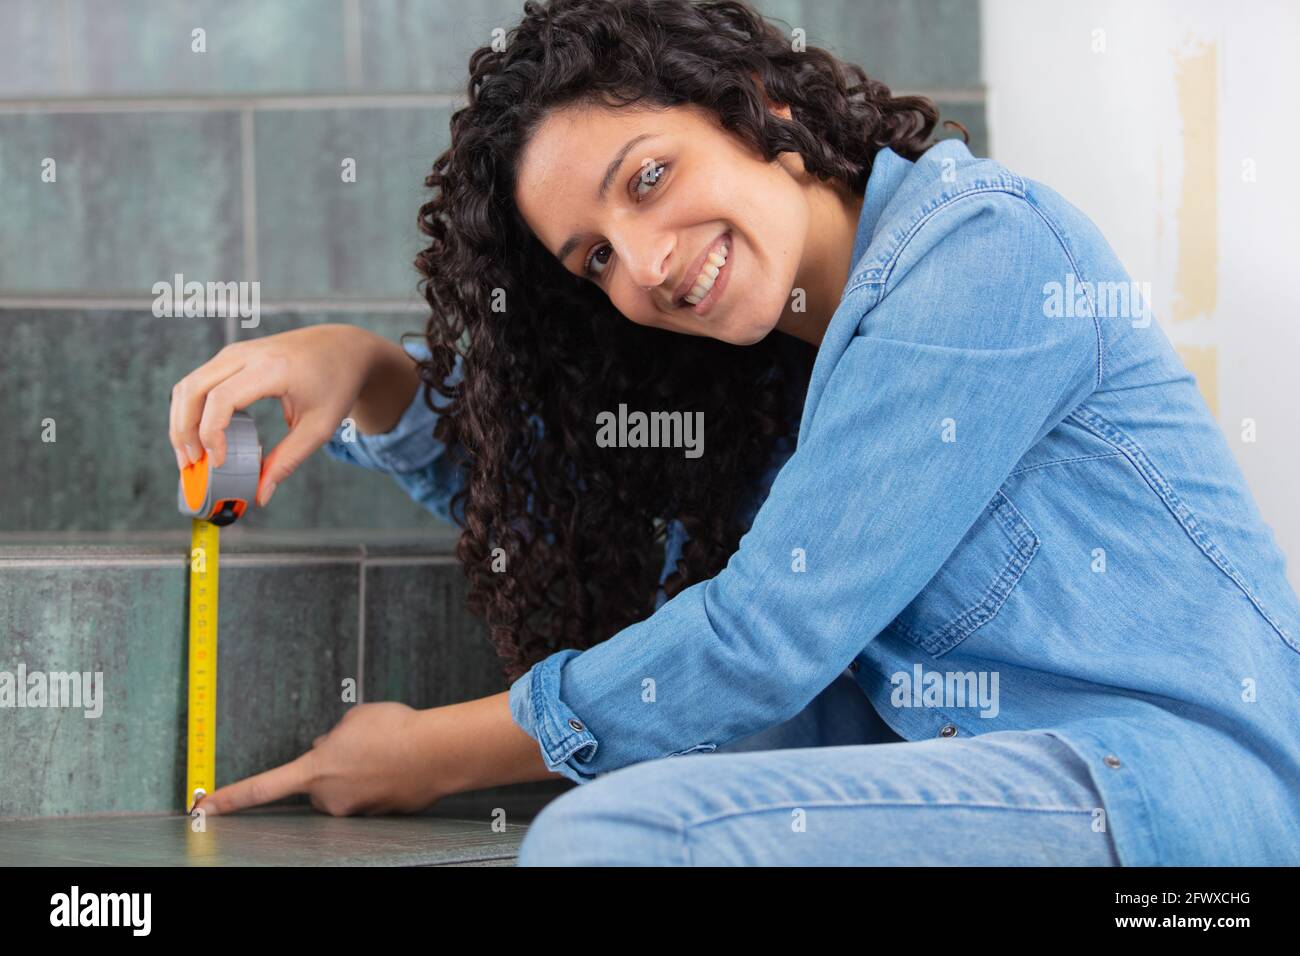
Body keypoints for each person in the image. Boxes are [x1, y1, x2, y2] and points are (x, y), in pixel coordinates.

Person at [167, 0, 1300, 865]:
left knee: (616, 840)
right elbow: (573, 509)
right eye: (595, 257)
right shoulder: (773, 373)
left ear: (764, 104)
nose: (646, 259)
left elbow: (764, 633)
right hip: (1008, 781)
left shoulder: (986, 254)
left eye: (648, 177)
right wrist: (370, 374)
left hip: (1177, 811)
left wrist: (439, 749)